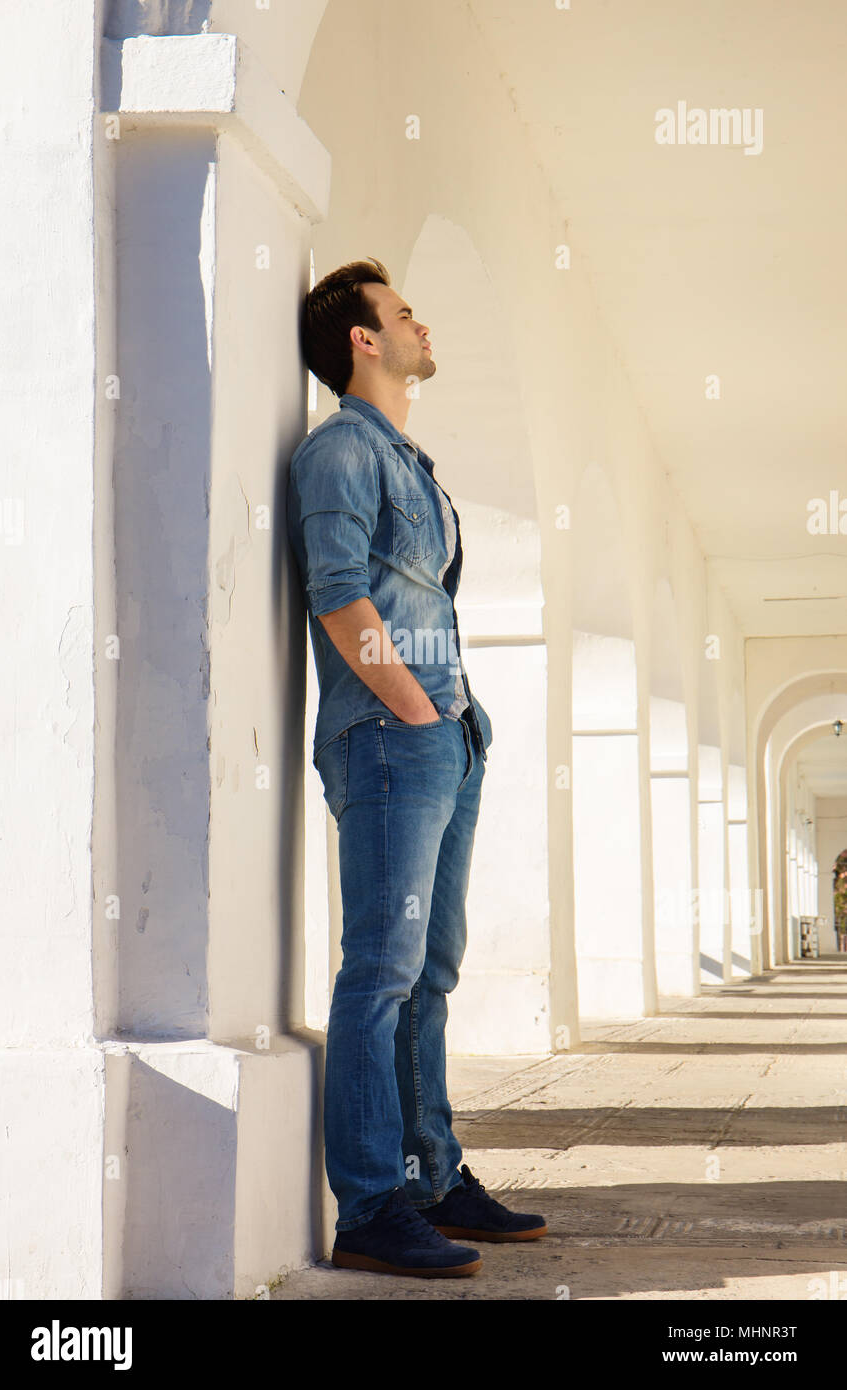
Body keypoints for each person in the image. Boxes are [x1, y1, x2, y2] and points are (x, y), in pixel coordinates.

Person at [286, 257, 547, 1278]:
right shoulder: (341, 451)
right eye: (403, 313)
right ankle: (368, 1206)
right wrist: (412, 705)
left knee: (430, 970)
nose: (420, 324)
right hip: (392, 738)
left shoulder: (407, 458)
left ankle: (430, 1175)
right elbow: (339, 593)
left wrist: (451, 719)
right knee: (380, 971)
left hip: (446, 736)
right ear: (363, 339)